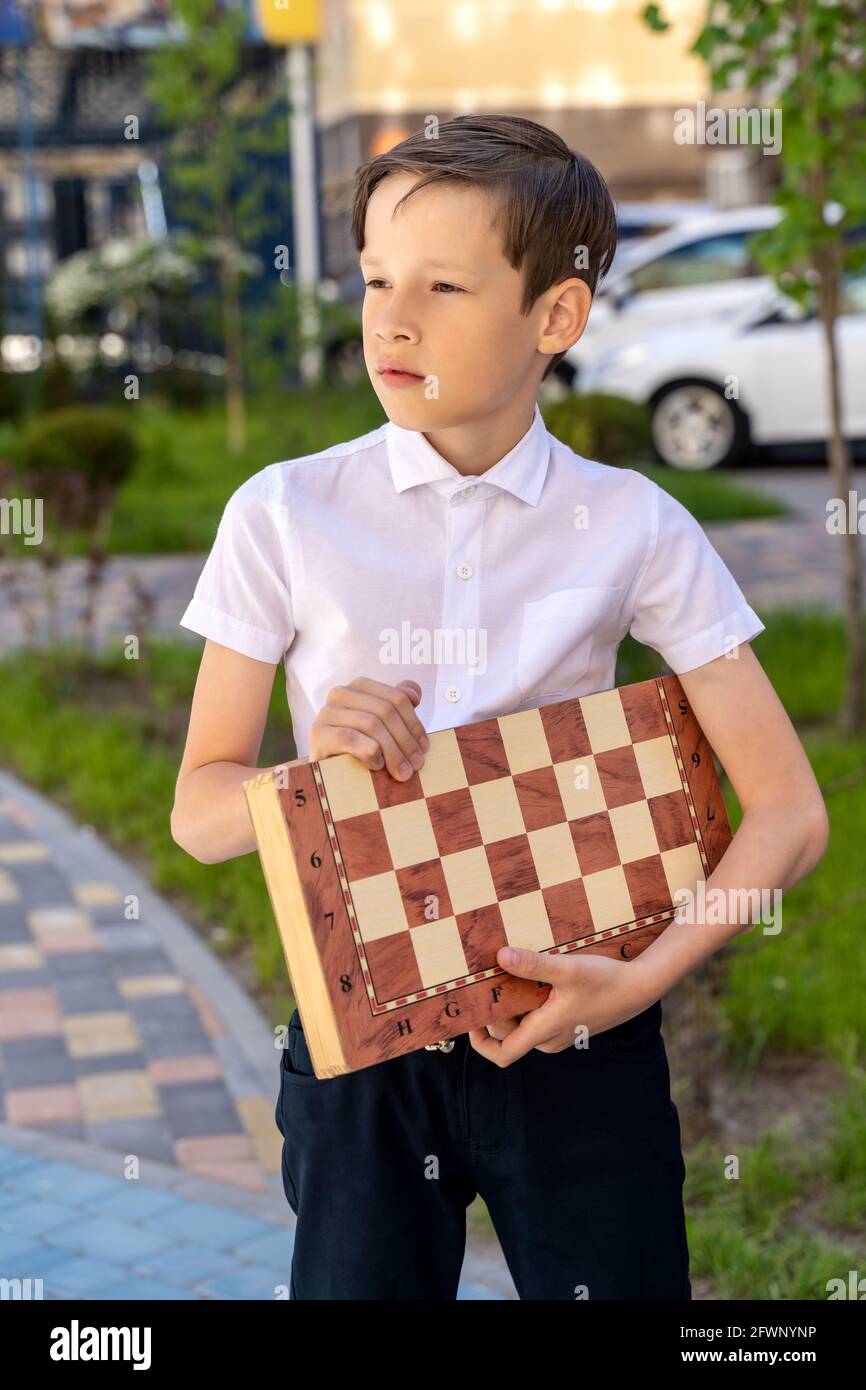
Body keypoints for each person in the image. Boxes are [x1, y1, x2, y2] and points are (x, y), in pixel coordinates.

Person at [171, 114, 829, 1300]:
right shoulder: (282, 512)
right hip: (361, 1043)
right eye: (374, 278)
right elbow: (199, 812)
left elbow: (785, 811)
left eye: (443, 284)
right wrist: (305, 777)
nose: (390, 318)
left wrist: (636, 982)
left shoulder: (633, 523)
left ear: (555, 317)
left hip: (581, 1025)